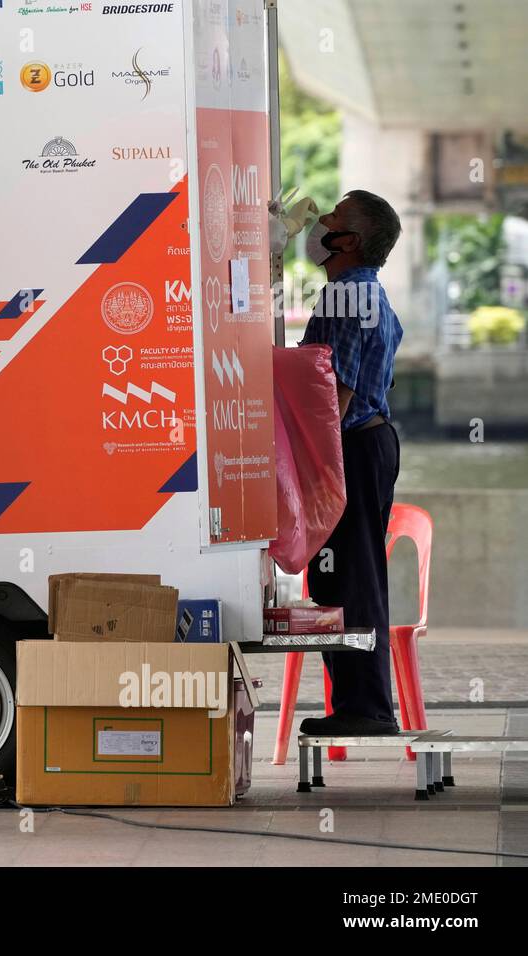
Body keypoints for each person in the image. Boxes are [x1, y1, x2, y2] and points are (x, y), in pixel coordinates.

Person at [297, 190, 405, 736]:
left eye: (333, 218)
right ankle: (360, 705)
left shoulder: (345, 297)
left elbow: (332, 393)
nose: (320, 224)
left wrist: (313, 459)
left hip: (351, 447)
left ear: (351, 240)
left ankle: (365, 708)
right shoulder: (369, 294)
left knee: (349, 578)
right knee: (354, 573)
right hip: (372, 442)